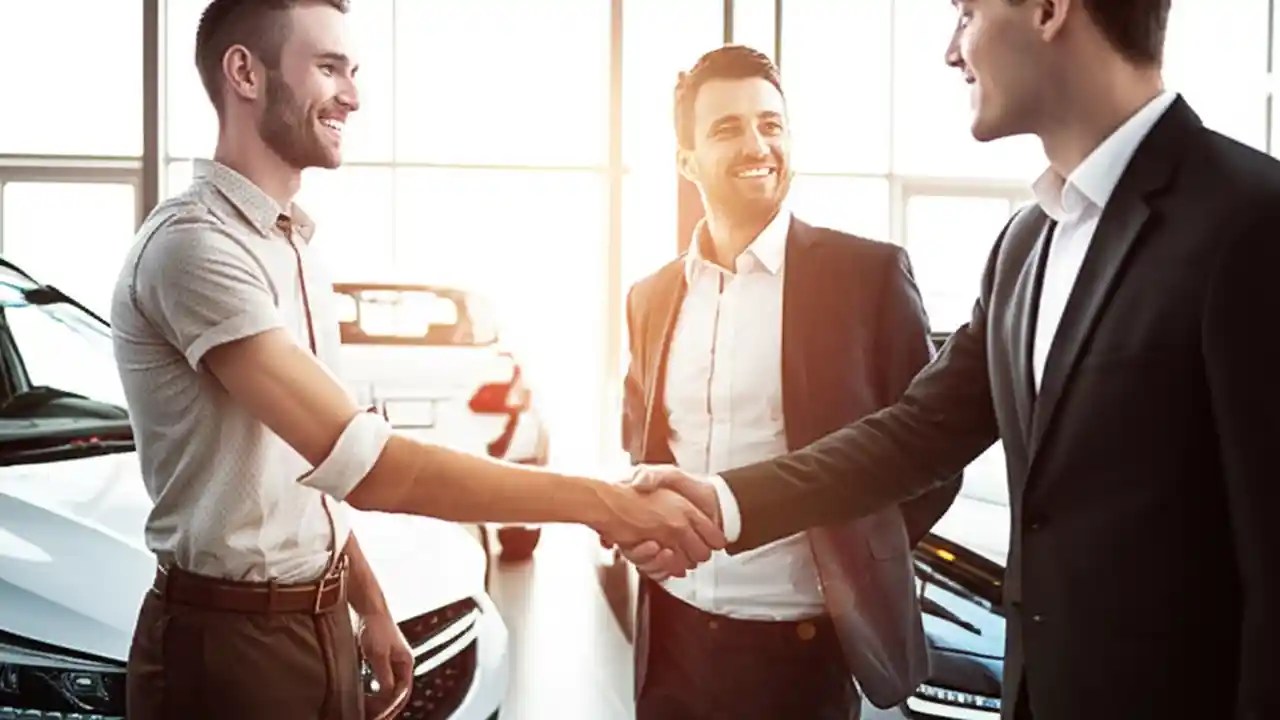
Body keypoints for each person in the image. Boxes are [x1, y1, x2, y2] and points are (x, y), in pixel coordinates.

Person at [624, 1, 1280, 718]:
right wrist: (723, 502)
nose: (952, 50)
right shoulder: (1025, 245)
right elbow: (914, 435)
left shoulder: (1252, 221)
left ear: (1048, 11)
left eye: (967, 13)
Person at [111, 2, 722, 719]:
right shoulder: (195, 249)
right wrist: (605, 503)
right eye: (329, 68)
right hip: (227, 646)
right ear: (244, 72)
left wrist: (367, 605)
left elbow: (309, 478)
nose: (353, 95)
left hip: (316, 619)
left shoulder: (292, 248)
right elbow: (371, 467)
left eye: (353, 70)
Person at [616, 45, 960, 720]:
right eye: (728, 128)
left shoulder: (867, 278)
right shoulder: (650, 296)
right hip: (673, 640)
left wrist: (860, 553)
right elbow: (642, 440)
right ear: (687, 161)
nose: (757, 145)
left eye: (771, 124)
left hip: (803, 646)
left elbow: (930, 454)